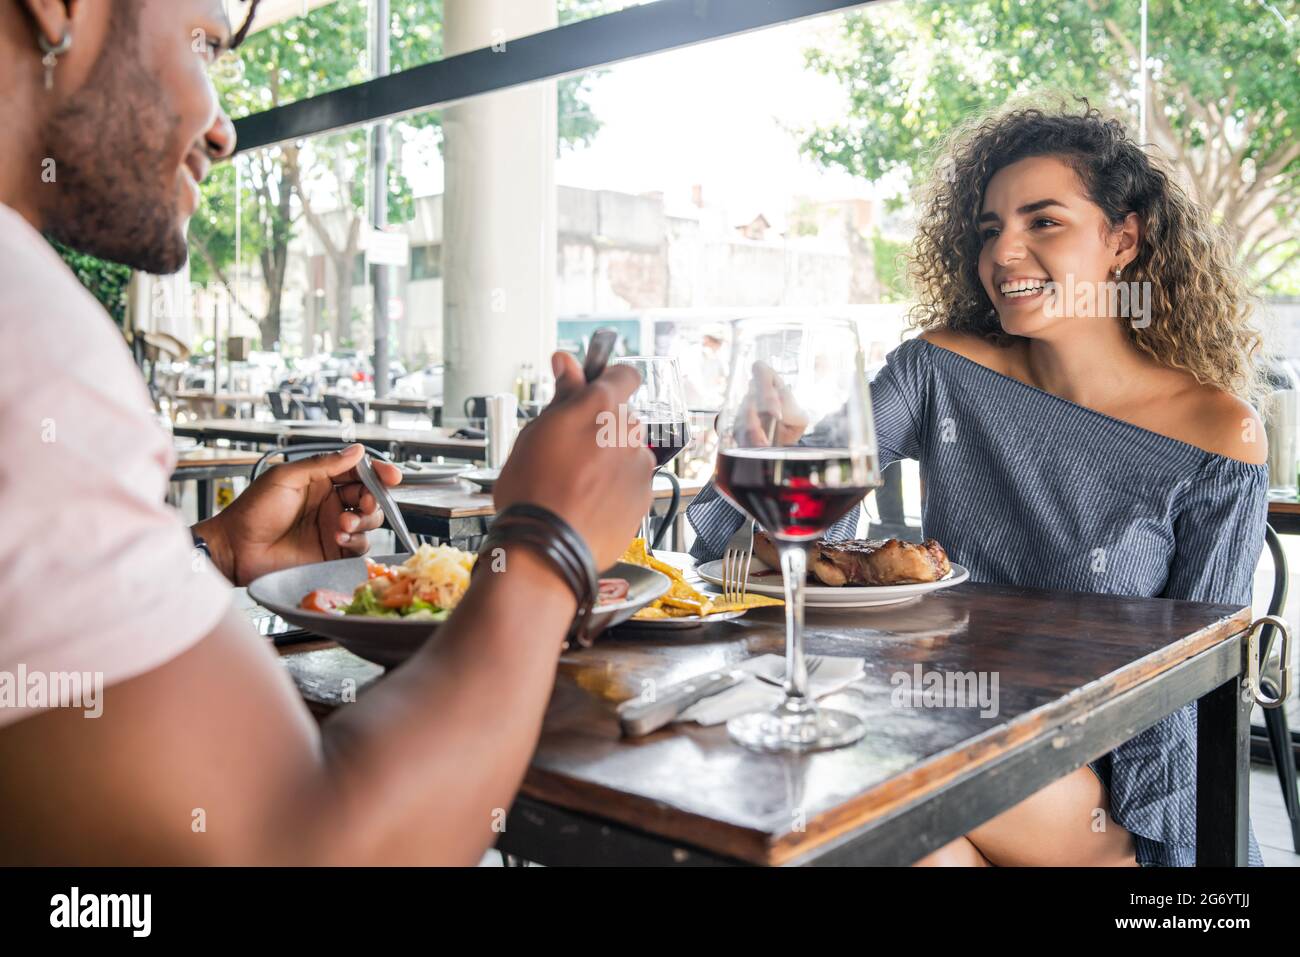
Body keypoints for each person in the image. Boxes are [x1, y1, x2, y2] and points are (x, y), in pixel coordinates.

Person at [0, 0, 655, 863]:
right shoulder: (26, 325)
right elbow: (305, 847)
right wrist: (546, 544)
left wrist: (214, 554)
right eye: (203, 43)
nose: (223, 129)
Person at [687, 99, 1270, 867]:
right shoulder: (936, 370)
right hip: (945, 735)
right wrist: (780, 464)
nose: (1005, 253)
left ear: (1122, 240)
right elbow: (747, 545)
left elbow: (1201, 683)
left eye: (1044, 222)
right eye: (991, 229)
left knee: (871, 786)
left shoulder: (1219, 434)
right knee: (905, 835)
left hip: (1116, 793)